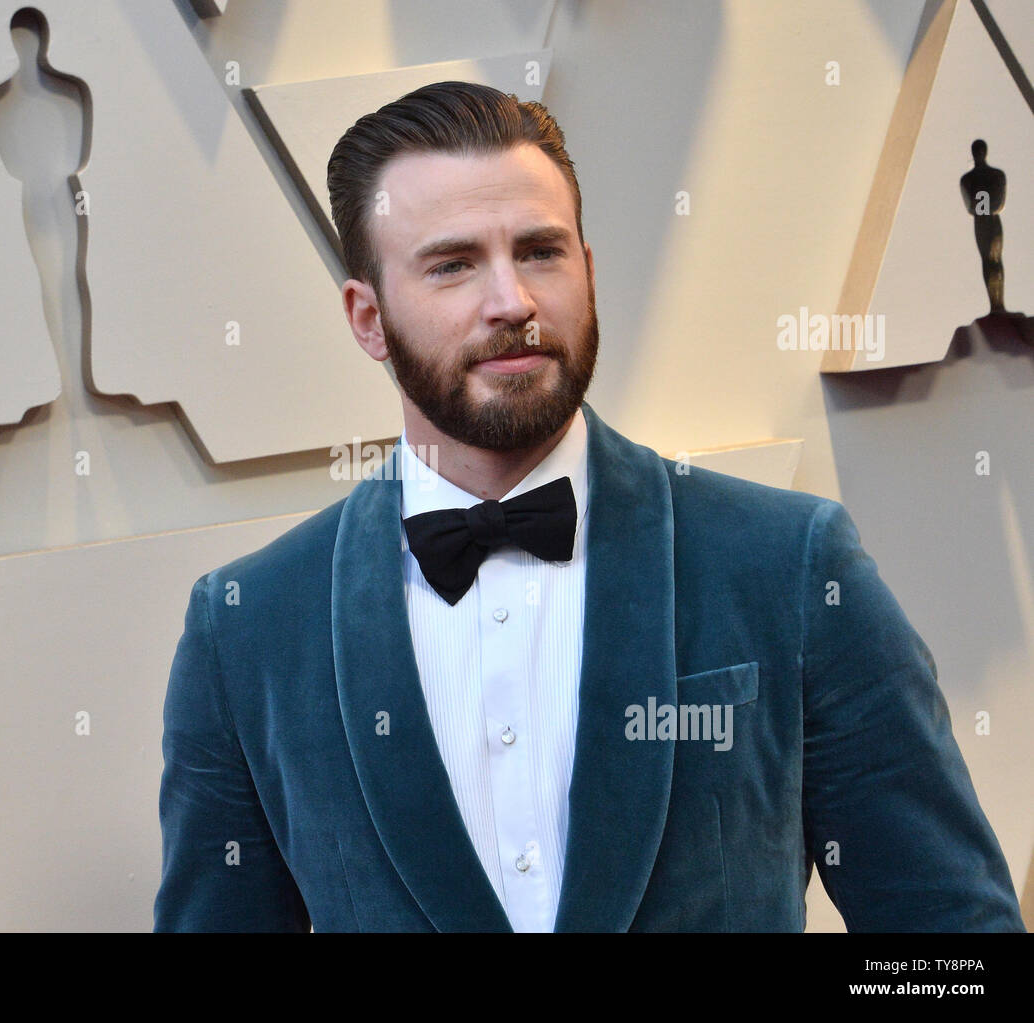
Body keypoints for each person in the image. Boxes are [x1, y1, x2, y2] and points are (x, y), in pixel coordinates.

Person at [153, 81, 1023, 932]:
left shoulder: (789, 564)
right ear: (368, 317)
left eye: (540, 250)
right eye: (454, 264)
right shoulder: (249, 631)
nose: (513, 302)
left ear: (589, 269)